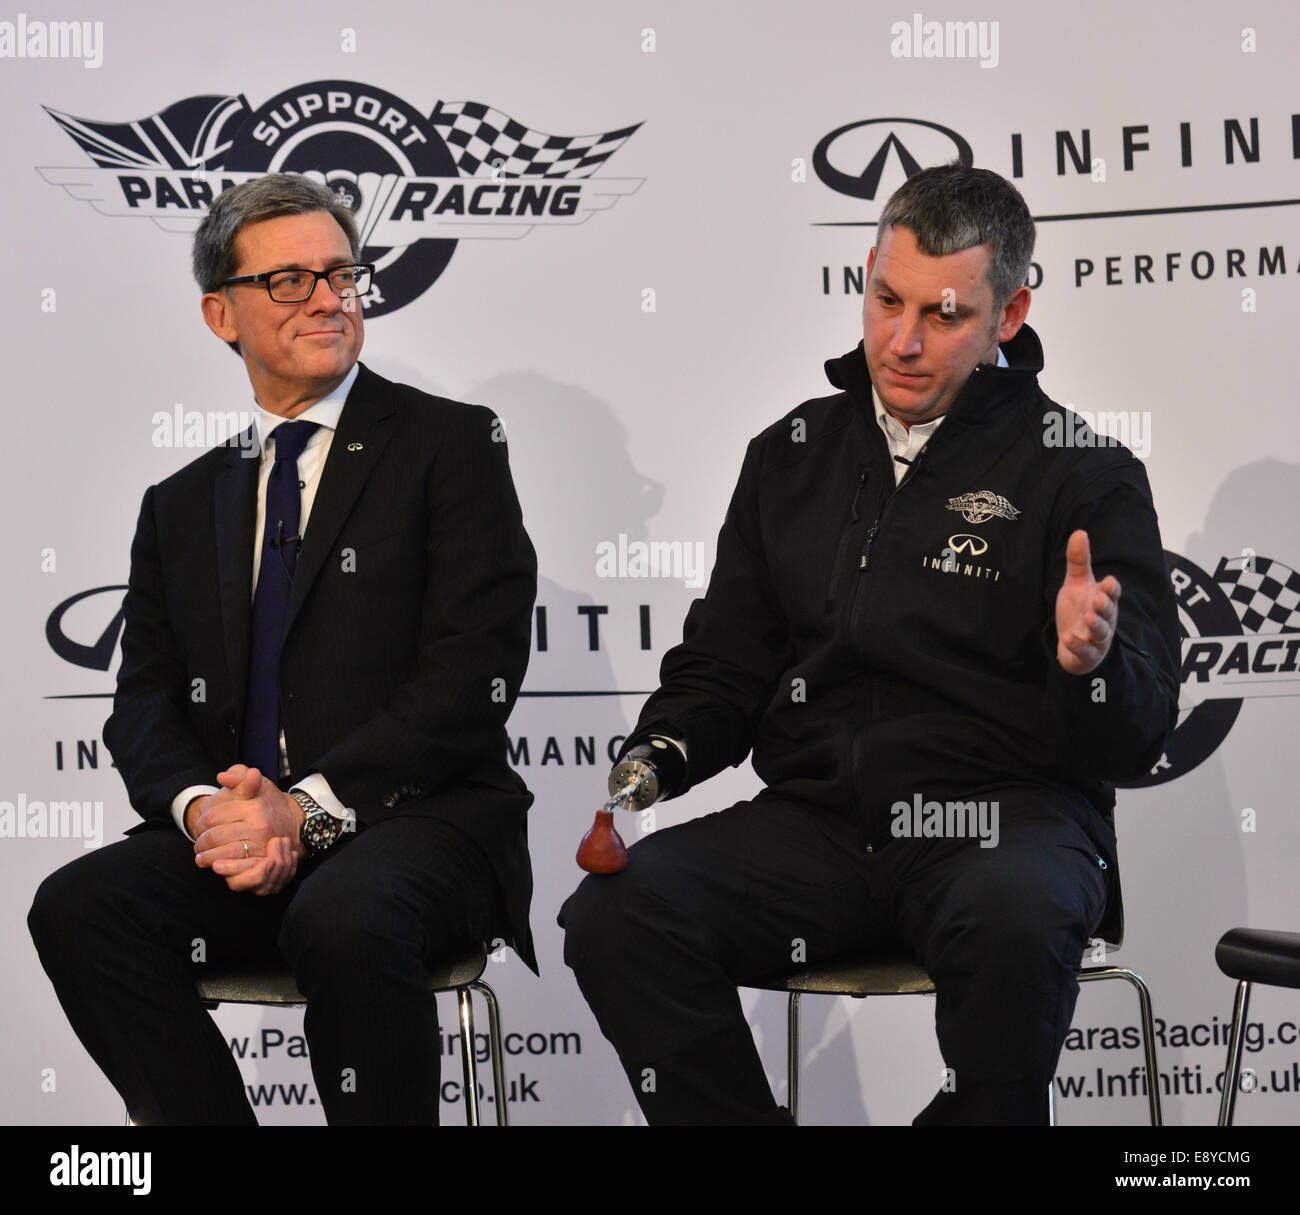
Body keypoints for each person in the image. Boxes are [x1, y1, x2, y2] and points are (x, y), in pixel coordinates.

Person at [560, 163, 1180, 1125]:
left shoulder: (1084, 471)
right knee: (619, 915)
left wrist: (1090, 667)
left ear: (1009, 312)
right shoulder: (791, 453)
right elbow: (728, 661)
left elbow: (1137, 731)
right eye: (885, 298)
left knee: (1016, 920)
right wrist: (662, 750)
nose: (901, 340)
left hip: (999, 822)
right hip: (820, 825)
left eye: (943, 315)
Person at [28, 173, 537, 1125]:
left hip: (417, 831)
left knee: (341, 914)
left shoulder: (451, 445)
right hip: (249, 851)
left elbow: (473, 674)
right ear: (221, 313)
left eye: (340, 275)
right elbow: (141, 708)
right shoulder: (180, 503)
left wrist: (306, 811)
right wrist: (206, 814)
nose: (327, 299)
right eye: (290, 281)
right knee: (79, 906)